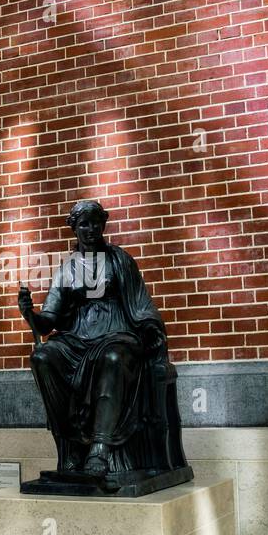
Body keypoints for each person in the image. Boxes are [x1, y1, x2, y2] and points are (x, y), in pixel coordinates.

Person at [18, 200, 185, 480]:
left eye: (96, 222)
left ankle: (100, 447)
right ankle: (69, 447)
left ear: (103, 224)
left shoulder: (119, 260)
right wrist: (30, 314)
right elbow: (49, 319)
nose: (91, 229)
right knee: (43, 358)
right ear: (75, 229)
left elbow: (141, 304)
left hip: (117, 334)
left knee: (114, 358)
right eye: (84, 223)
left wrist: (150, 331)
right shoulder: (67, 268)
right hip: (77, 339)